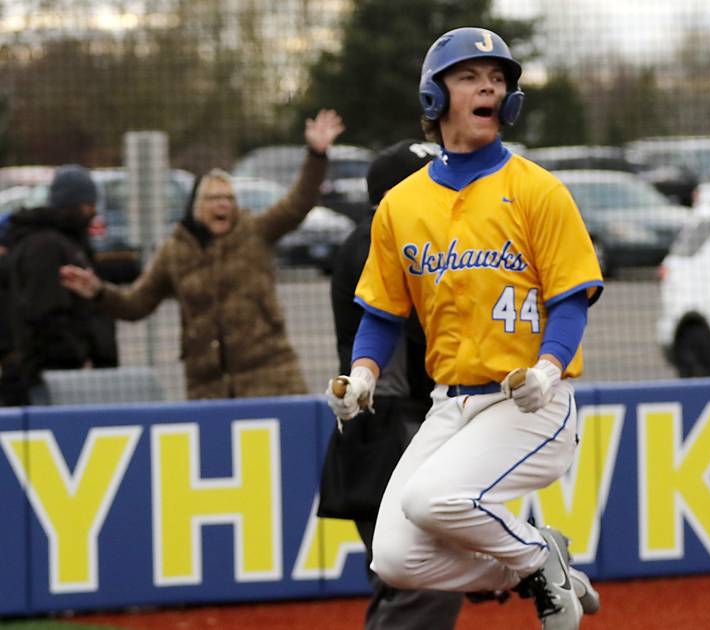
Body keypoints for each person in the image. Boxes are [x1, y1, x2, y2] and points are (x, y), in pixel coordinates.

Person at [324, 27, 602, 630]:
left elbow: (572, 299)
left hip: (529, 402)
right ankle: (535, 564)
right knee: (394, 558)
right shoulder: (401, 204)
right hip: (449, 406)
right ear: (435, 96)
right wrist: (364, 375)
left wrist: (550, 367)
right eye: (471, 76)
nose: (489, 88)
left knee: (432, 500)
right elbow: (380, 313)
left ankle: (535, 561)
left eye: (498, 79)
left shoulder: (538, 189)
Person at [58, 109, 345, 399]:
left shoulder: (255, 232)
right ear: (197, 206)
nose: (222, 205)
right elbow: (136, 303)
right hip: (208, 390)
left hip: (271, 381)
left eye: (228, 198)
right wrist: (99, 292)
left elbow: (298, 203)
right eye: (213, 198)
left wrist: (316, 156)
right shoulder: (174, 251)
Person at [320, 139, 464, 630]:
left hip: (385, 431)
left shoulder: (371, 236)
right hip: (393, 432)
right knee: (422, 580)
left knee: (405, 580)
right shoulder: (382, 240)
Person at [2, 165, 117, 406]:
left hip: (63, 372)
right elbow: (45, 312)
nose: (93, 211)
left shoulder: (66, 242)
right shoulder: (47, 247)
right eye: (88, 203)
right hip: (53, 377)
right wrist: (77, 357)